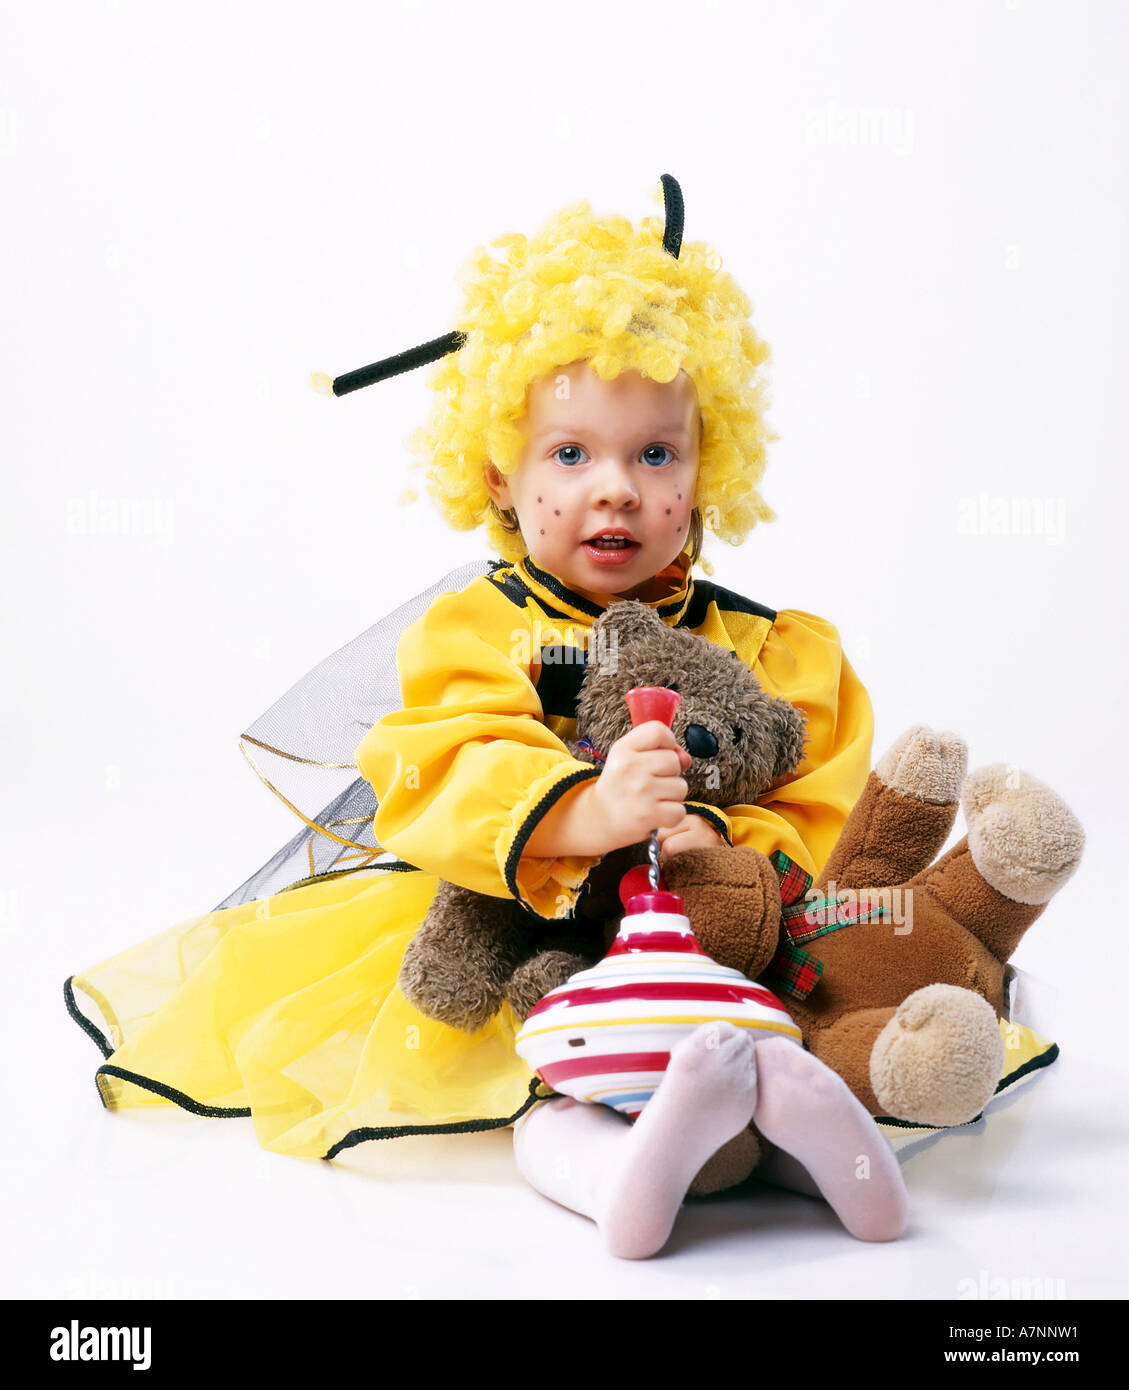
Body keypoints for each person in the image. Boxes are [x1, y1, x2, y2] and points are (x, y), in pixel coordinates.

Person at [65, 178, 907, 1257]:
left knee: (809, 1009)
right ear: (499, 472)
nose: (615, 490)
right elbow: (449, 758)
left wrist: (730, 849)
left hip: (707, 937)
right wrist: (585, 809)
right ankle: (625, 1171)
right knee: (540, 1076)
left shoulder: (767, 648)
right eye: (571, 454)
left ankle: (807, 1134)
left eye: (656, 454)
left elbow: (819, 792)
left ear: (708, 469)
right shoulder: (484, 627)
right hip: (528, 929)